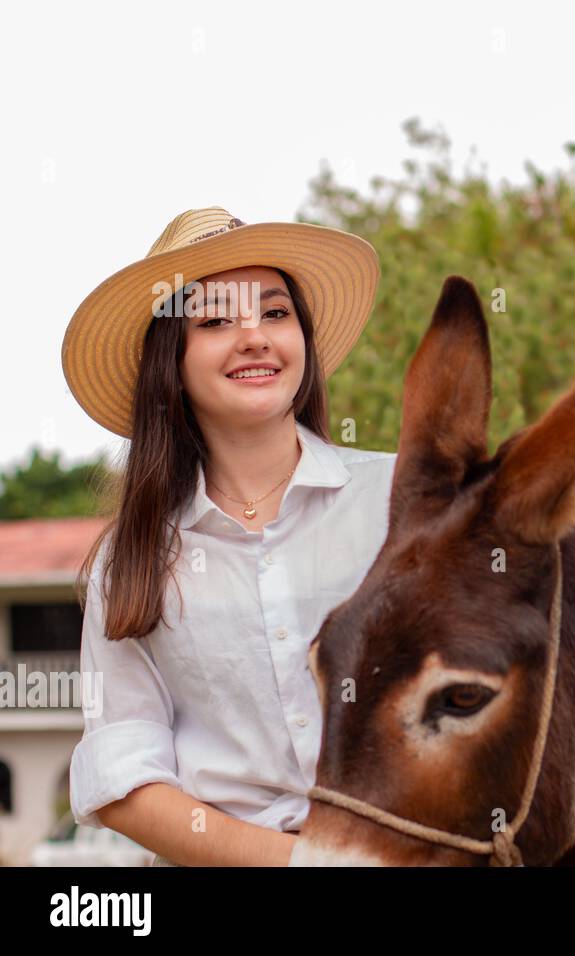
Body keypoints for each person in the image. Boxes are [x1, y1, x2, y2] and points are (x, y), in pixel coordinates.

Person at [63, 207, 394, 866]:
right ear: (171, 362)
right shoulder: (130, 560)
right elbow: (126, 777)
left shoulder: (401, 500)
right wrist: (304, 864)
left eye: (275, 313)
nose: (255, 337)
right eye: (215, 320)